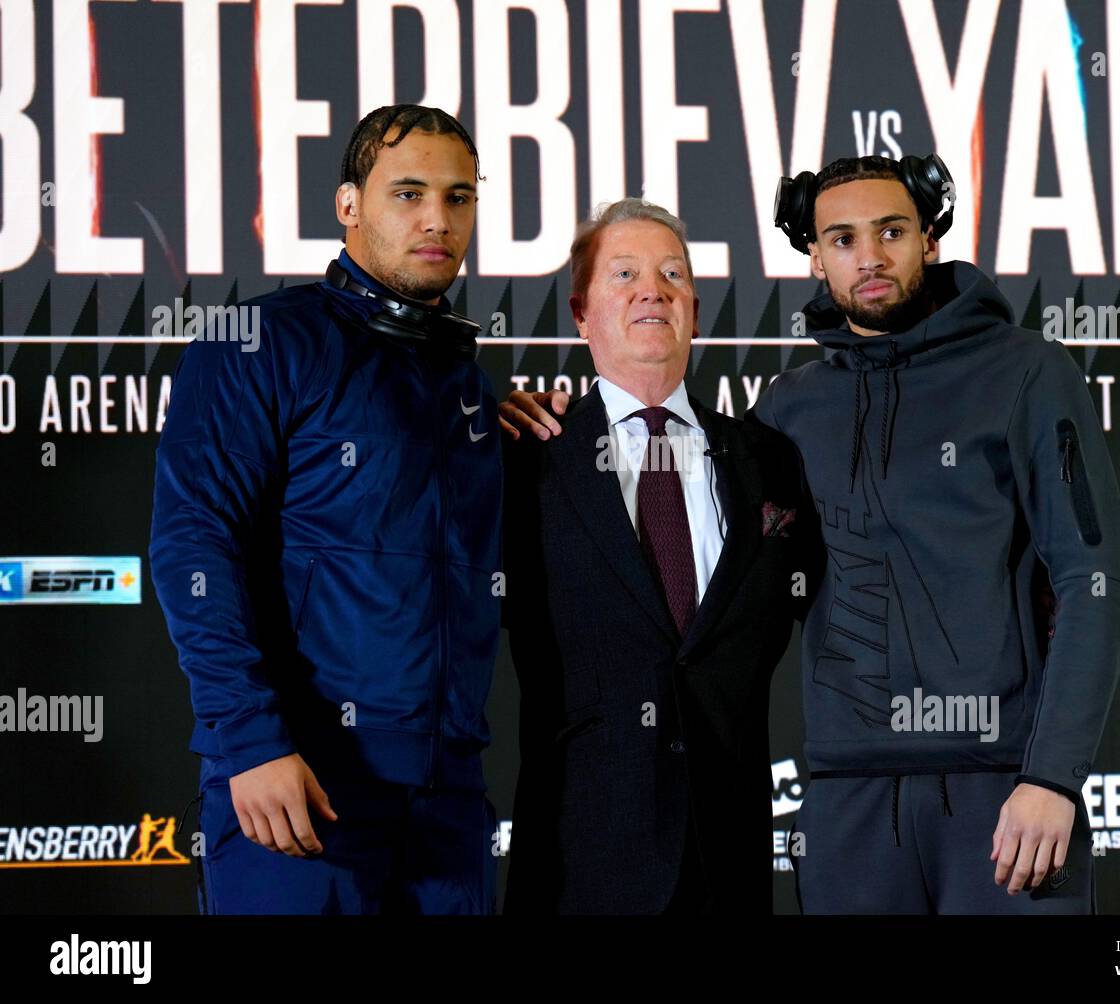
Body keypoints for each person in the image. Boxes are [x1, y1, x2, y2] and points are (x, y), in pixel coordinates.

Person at [754, 154, 1120, 913]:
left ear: (930, 238)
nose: (870, 256)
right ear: (814, 257)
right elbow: (741, 594)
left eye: (891, 230)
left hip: (1005, 792)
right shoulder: (787, 407)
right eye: (842, 238)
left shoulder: (1027, 371)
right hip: (845, 802)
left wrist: (1052, 778)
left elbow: (1093, 581)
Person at [150, 105, 501, 914]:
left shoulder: (468, 387)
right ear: (349, 205)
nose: (436, 220)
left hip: (449, 805)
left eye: (458, 197)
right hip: (302, 785)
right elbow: (192, 547)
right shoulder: (258, 340)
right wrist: (250, 741)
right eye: (407, 194)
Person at [496, 198, 822, 914]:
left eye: (672, 273)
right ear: (582, 313)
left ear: (696, 313)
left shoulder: (768, 461)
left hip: (728, 868)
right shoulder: (523, 462)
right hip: (578, 871)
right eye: (625, 274)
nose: (653, 289)